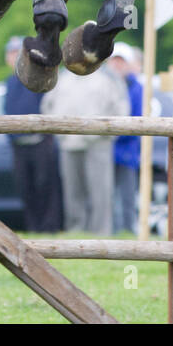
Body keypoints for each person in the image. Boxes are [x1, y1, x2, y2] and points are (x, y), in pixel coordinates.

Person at [40, 65, 128, 235]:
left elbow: (121, 108)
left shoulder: (108, 77)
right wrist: (59, 133)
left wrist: (108, 135)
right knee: (72, 191)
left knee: (100, 191)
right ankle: (76, 228)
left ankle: (101, 230)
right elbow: (47, 105)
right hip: (69, 143)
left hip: (98, 143)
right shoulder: (61, 78)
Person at [2, 36, 63, 232]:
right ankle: (33, 227)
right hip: (19, 144)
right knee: (25, 188)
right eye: (11, 54)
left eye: (18, 53)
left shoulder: (40, 77)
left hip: (40, 140)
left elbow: (50, 106)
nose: (15, 57)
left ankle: (49, 227)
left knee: (45, 186)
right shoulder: (10, 83)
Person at [107, 43, 144, 234]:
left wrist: (113, 134)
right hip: (106, 149)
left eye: (121, 62)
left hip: (126, 149)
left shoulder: (136, 88)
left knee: (127, 194)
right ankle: (111, 230)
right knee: (107, 195)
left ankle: (129, 229)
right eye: (115, 61)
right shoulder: (104, 84)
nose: (117, 65)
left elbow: (137, 119)